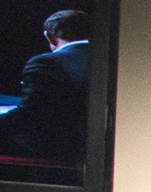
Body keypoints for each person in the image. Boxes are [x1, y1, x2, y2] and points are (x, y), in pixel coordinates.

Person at [0, 10, 91, 166]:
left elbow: (29, 115)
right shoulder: (109, 61)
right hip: (91, 148)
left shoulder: (46, 63)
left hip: (50, 149)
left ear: (50, 36)